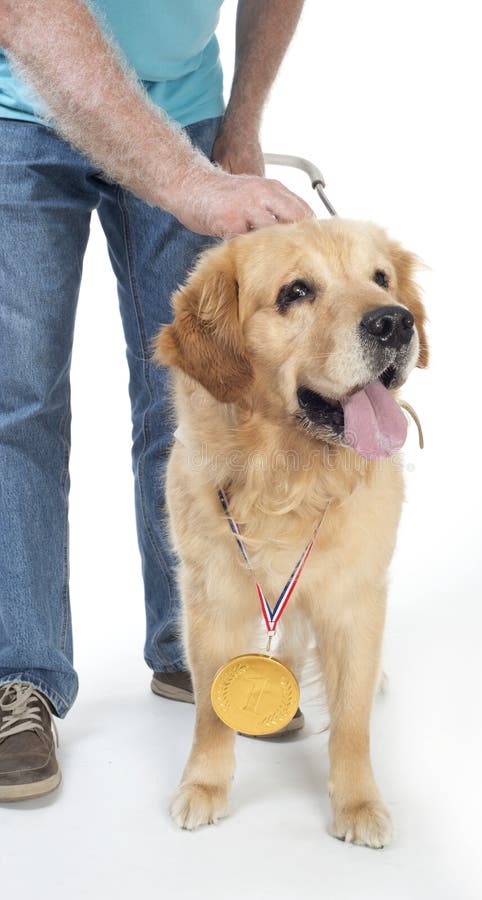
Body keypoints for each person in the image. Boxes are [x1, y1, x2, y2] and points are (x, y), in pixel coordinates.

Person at [0, 0, 312, 802]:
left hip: (188, 111)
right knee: (16, 406)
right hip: (16, 113)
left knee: (203, 402)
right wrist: (185, 183)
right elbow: (28, 12)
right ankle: (17, 678)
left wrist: (239, 125)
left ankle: (195, 643)